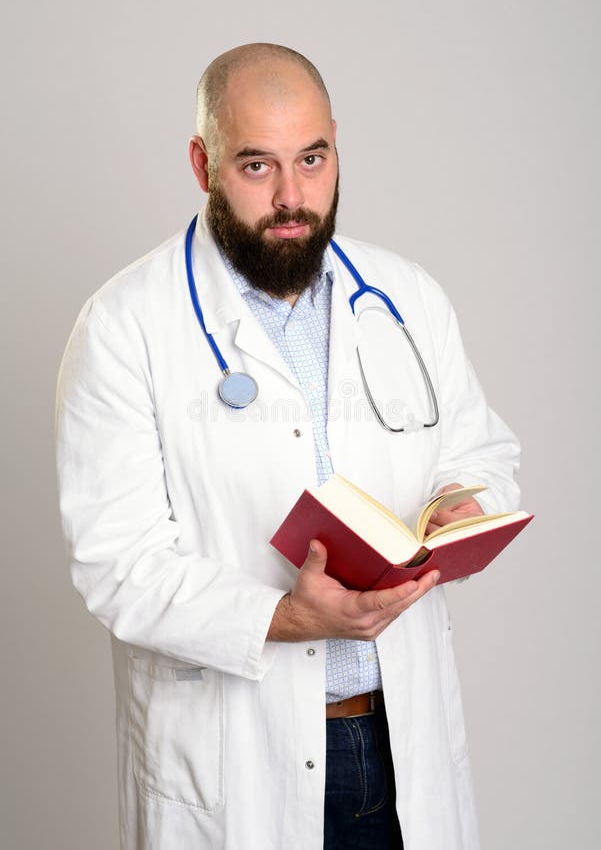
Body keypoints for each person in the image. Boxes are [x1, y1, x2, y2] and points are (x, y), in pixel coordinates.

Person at [55, 43, 520, 850]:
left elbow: (477, 454)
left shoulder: (407, 296)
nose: (292, 197)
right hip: (240, 761)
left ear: (337, 146)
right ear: (202, 164)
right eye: (256, 165)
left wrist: (460, 504)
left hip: (398, 743)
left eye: (312, 158)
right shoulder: (126, 324)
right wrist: (281, 615)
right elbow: (116, 563)